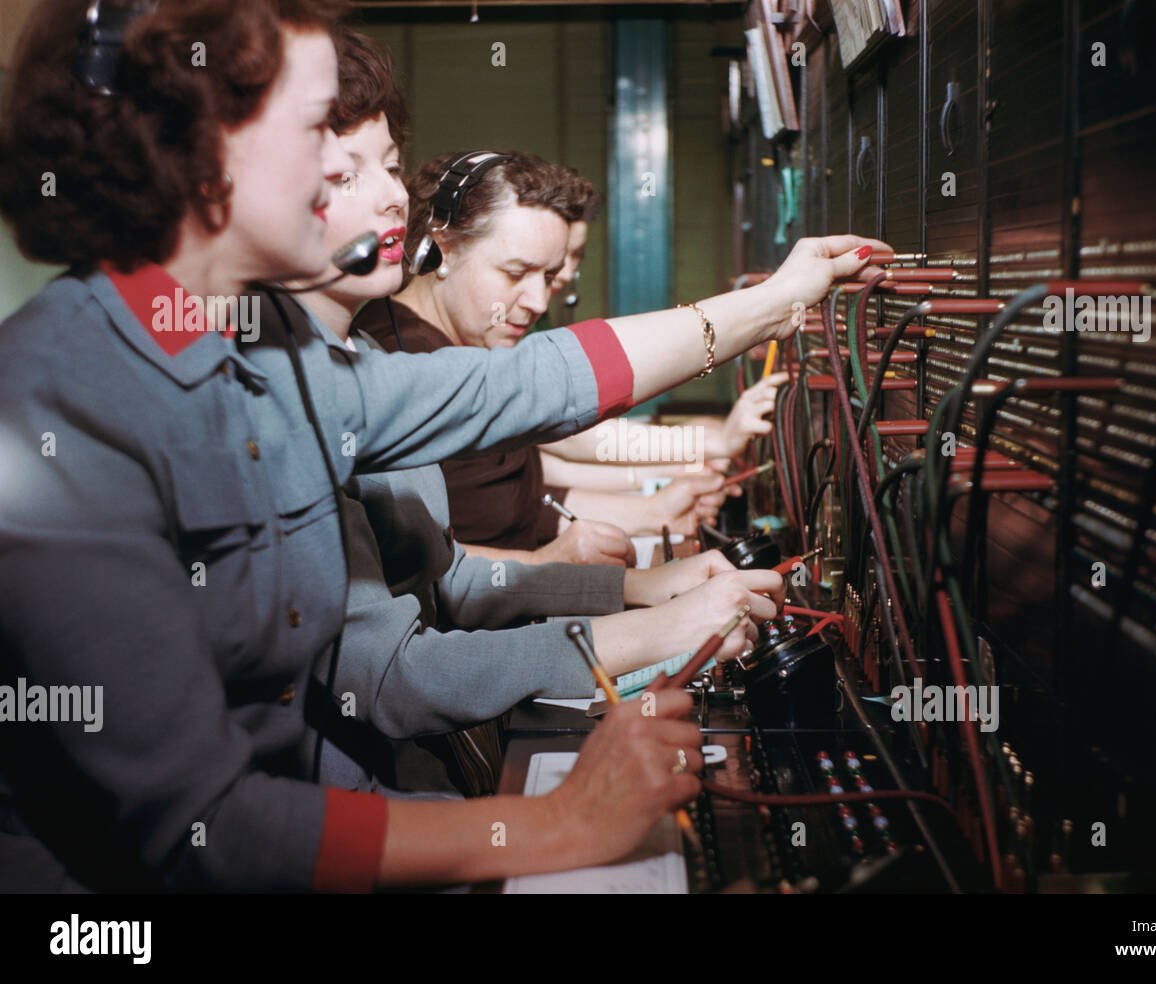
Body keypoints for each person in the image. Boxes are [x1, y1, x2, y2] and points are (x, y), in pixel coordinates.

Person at [0, 0, 886, 891]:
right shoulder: (56, 402)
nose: (360, 181)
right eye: (319, 134)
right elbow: (204, 828)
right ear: (196, 141)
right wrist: (547, 827)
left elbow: (522, 387)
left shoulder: (264, 346)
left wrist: (778, 300)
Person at [292, 28, 782, 797]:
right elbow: (394, 675)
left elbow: (452, 579)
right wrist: (768, 306)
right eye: (346, 172)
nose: (392, 196)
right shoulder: (337, 378)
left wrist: (636, 591)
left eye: (389, 167)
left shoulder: (357, 359)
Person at [358, 153, 786, 564]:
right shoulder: (406, 357)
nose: (539, 301)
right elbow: (430, 569)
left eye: (549, 276)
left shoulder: (465, 339)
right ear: (443, 249)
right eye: (514, 273)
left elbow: (521, 482)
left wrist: (656, 503)